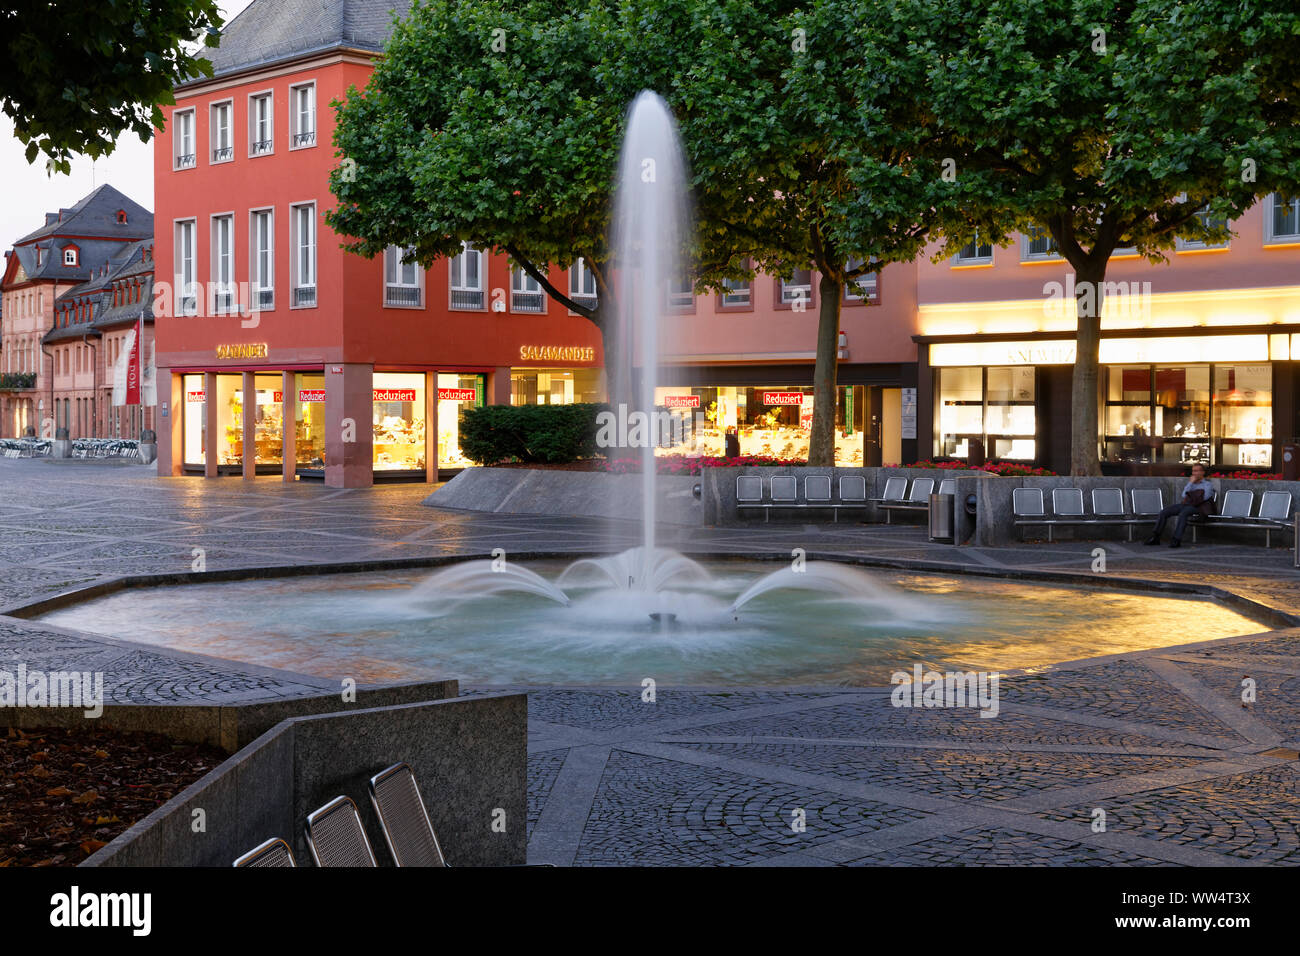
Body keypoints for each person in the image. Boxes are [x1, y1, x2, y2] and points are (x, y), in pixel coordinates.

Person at [1145, 463, 1216, 548]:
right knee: (1164, 512)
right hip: (1186, 504)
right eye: (1193, 471)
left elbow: (1204, 498)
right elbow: (1183, 495)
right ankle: (1155, 537)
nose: (1194, 473)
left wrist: (1191, 496)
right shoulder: (1191, 483)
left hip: (1199, 507)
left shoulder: (1207, 484)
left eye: (1197, 471)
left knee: (1183, 513)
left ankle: (1176, 539)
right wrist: (1191, 483)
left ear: (1202, 472)